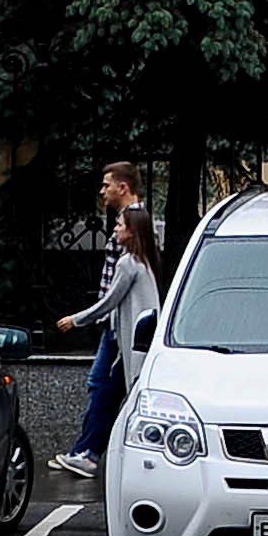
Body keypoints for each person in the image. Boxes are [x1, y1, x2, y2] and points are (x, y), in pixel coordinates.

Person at [47, 162, 160, 480]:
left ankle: (89, 453)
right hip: (120, 325)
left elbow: (113, 298)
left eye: (107, 184)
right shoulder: (136, 237)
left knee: (106, 387)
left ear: (123, 187)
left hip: (122, 328)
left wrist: (77, 319)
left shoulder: (134, 237)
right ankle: (86, 451)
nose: (102, 191)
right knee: (108, 387)